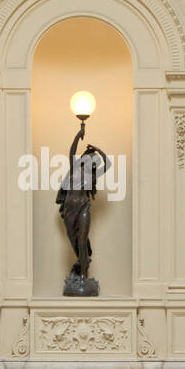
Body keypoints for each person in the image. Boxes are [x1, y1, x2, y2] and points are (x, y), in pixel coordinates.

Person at [55, 121, 110, 282]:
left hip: (83, 207)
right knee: (73, 240)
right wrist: (78, 136)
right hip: (69, 209)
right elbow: (72, 152)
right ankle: (81, 263)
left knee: (81, 239)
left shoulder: (91, 177)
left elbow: (108, 164)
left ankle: (84, 275)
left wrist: (99, 151)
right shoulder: (74, 169)